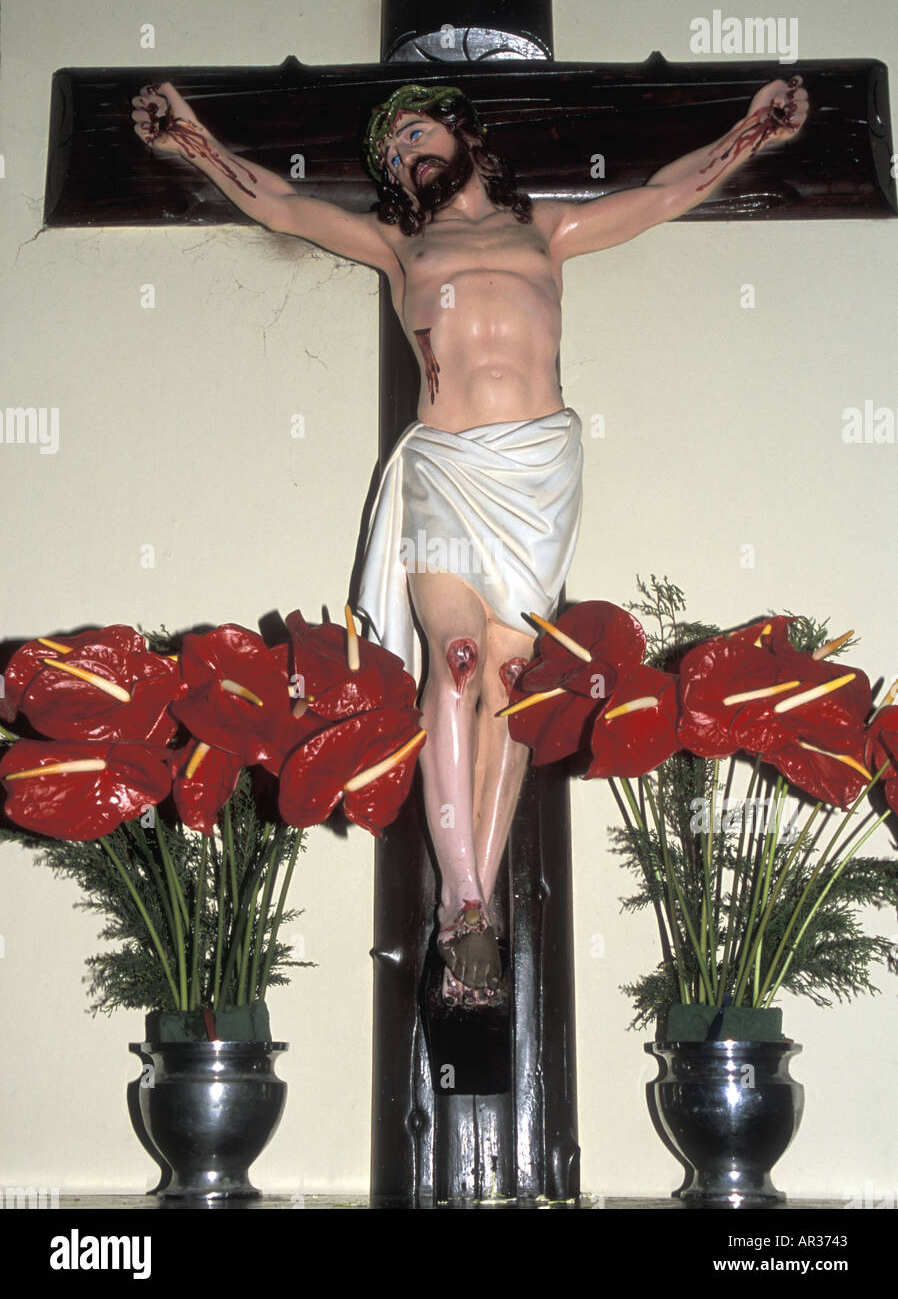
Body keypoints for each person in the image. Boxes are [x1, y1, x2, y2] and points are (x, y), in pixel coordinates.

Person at [132, 75, 808, 1005]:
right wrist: (191, 139)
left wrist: (755, 130)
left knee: (512, 682)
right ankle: (464, 899)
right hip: (448, 467)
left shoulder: (548, 233)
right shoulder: (400, 244)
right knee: (454, 662)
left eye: (415, 134)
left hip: (537, 473)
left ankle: (473, 900)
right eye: (392, 154)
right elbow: (282, 203)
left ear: (462, 133)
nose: (406, 156)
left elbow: (662, 195)